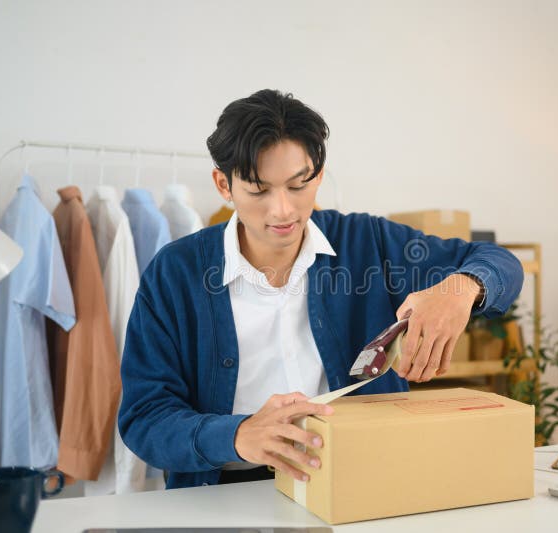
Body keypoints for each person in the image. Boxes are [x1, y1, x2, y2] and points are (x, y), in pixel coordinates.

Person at [118, 89, 524, 489]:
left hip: (364, 480)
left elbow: (500, 262)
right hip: (224, 493)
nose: (282, 210)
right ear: (223, 185)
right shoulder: (174, 272)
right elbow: (144, 417)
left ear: (319, 175)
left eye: (298, 185)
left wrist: (461, 287)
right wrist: (238, 435)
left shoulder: (367, 241)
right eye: (259, 189)